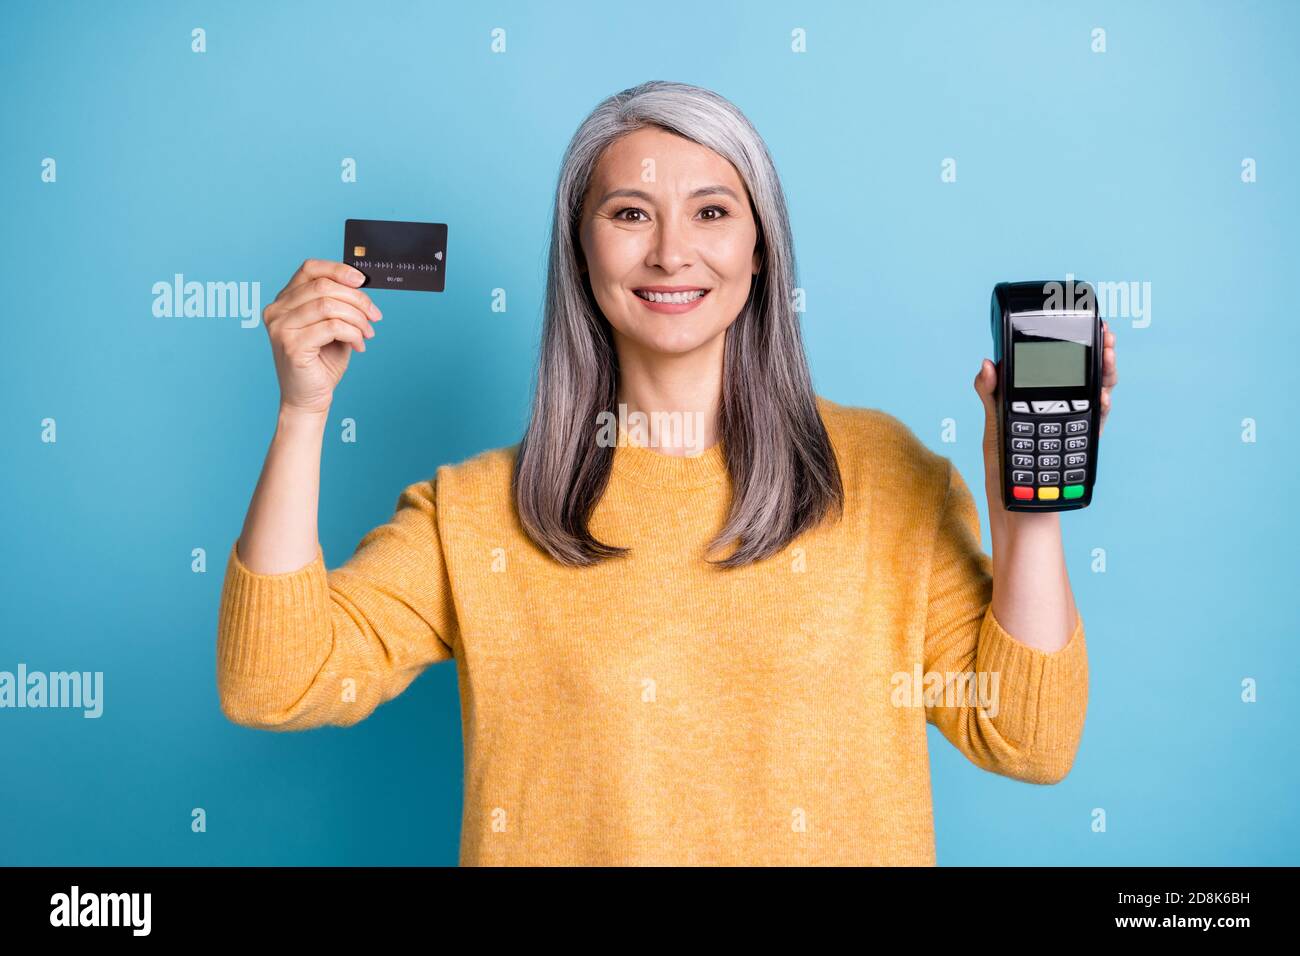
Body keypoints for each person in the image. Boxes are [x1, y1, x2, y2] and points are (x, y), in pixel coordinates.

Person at [216, 80, 1119, 866]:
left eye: (713, 211)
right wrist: (303, 413)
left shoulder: (889, 476)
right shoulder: (479, 512)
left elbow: (1027, 738)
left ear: (760, 250)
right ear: (582, 251)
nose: (671, 253)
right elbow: (274, 682)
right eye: (630, 213)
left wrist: (1024, 507)